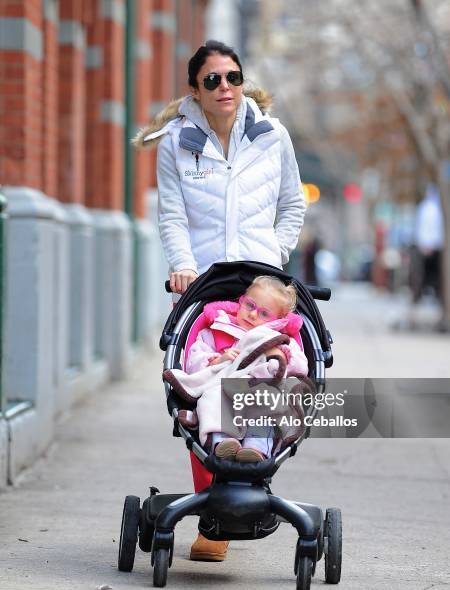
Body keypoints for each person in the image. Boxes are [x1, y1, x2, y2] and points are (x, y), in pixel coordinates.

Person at [134, 40, 306, 561]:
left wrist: (274, 255)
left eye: (232, 77)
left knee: (261, 377)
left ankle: (249, 482)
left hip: (260, 285)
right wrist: (183, 268)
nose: (225, 88)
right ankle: (214, 519)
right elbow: (172, 216)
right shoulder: (176, 142)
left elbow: (292, 204)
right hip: (202, 286)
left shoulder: (272, 135)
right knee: (202, 383)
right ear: (195, 90)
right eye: (213, 80)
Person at [182, 275, 308, 462]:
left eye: (264, 313)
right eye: (250, 305)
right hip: (225, 389)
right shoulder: (216, 330)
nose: (253, 314)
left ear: (279, 321)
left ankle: (256, 447)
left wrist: (279, 355)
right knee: (214, 396)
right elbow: (193, 360)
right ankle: (223, 440)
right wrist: (217, 360)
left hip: (259, 390)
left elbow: (300, 368)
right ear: (240, 302)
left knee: (268, 403)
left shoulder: (280, 339)